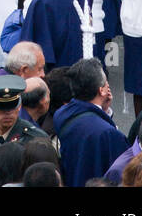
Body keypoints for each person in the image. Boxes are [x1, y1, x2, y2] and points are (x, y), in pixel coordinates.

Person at [53, 58, 129, 188]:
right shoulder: (108, 133)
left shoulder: (61, 114)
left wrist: (104, 111)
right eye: (106, 83)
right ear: (101, 90)